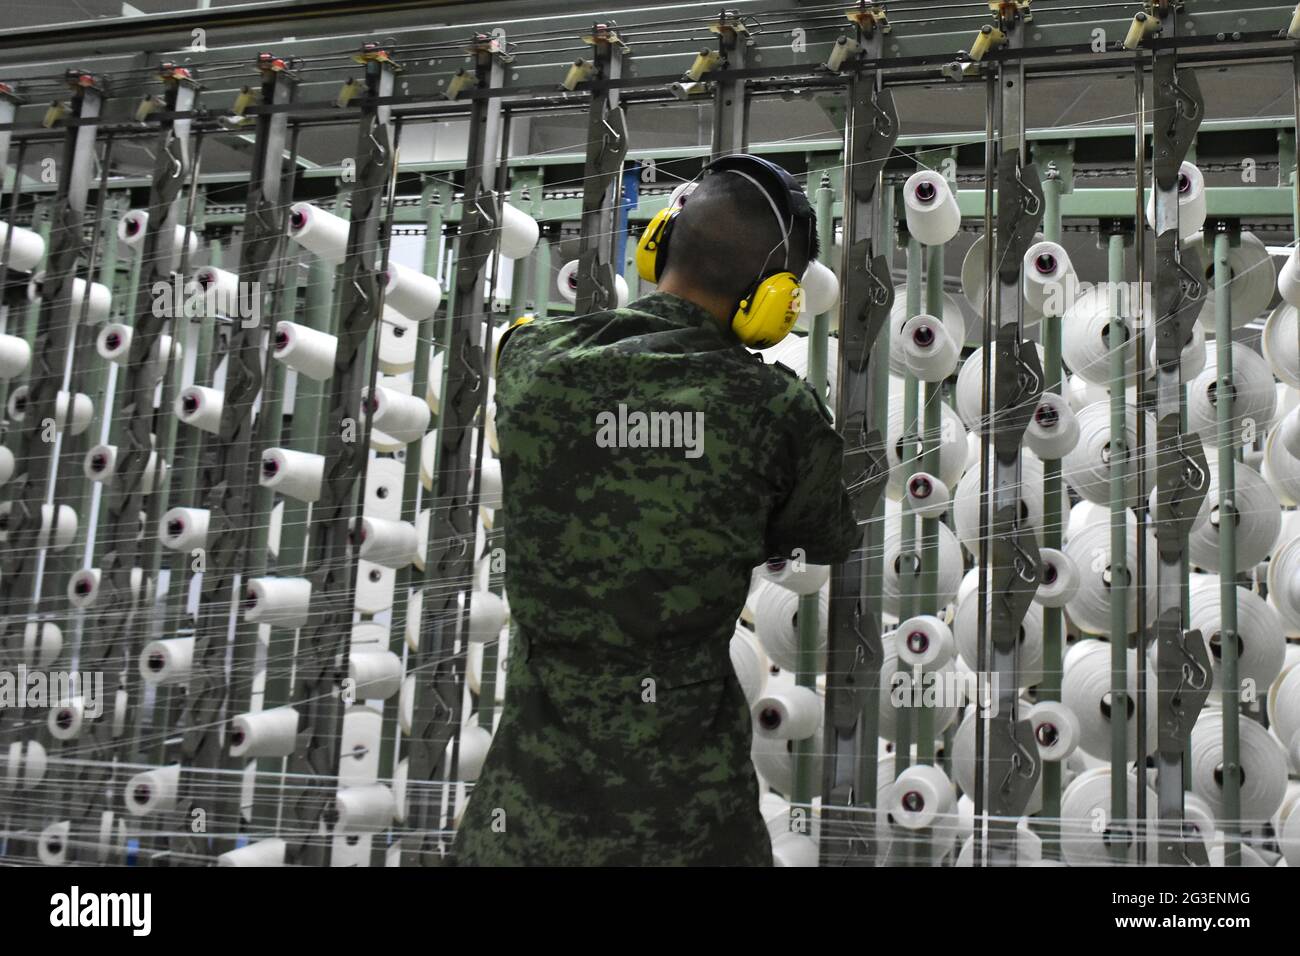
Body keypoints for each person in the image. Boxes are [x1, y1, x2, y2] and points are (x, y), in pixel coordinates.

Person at [454, 154, 860, 866]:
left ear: (660, 244)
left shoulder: (529, 364)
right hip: (691, 832)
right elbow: (816, 539)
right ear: (771, 301)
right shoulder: (779, 415)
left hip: (521, 825)